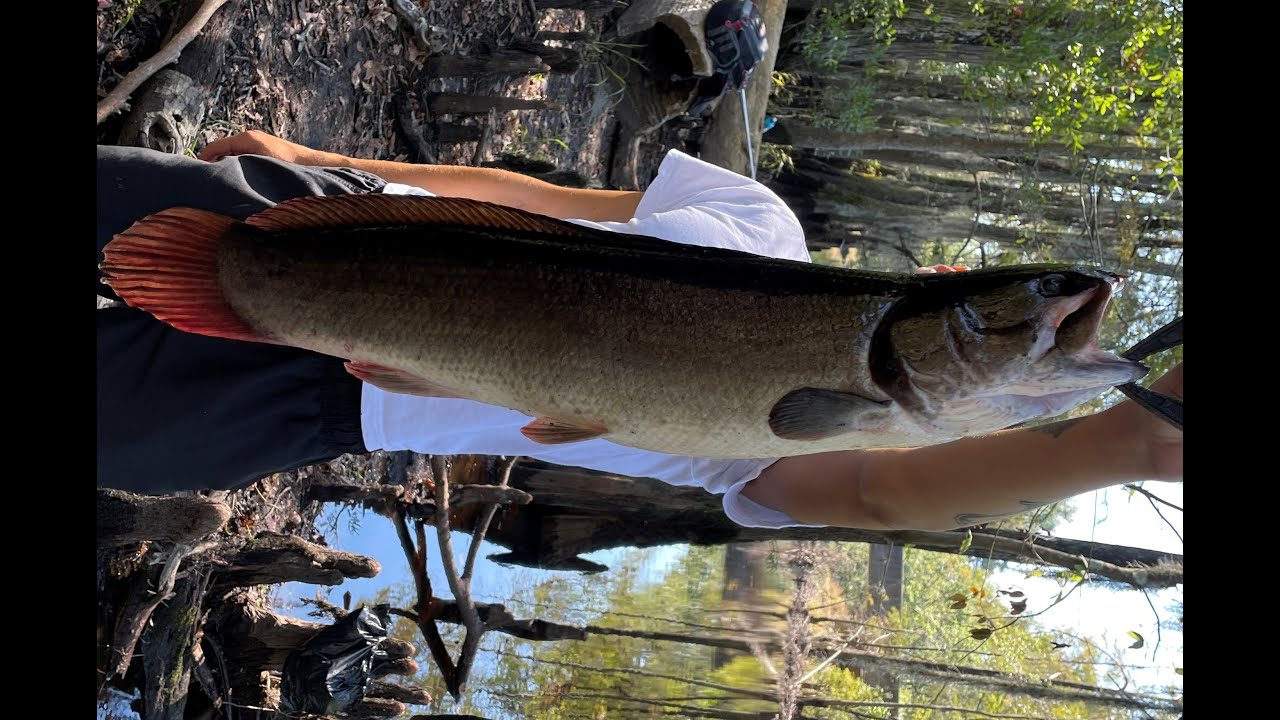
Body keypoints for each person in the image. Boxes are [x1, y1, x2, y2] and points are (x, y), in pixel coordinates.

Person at [96, 131, 1183, 532]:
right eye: (1012, 307)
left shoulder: (799, 437)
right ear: (938, 278)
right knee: (126, 201)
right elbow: (529, 195)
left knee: (125, 436)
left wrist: (1130, 445)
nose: (1045, 322)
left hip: (322, 401)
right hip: (364, 239)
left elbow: (873, 495)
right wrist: (332, 161)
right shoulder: (761, 218)